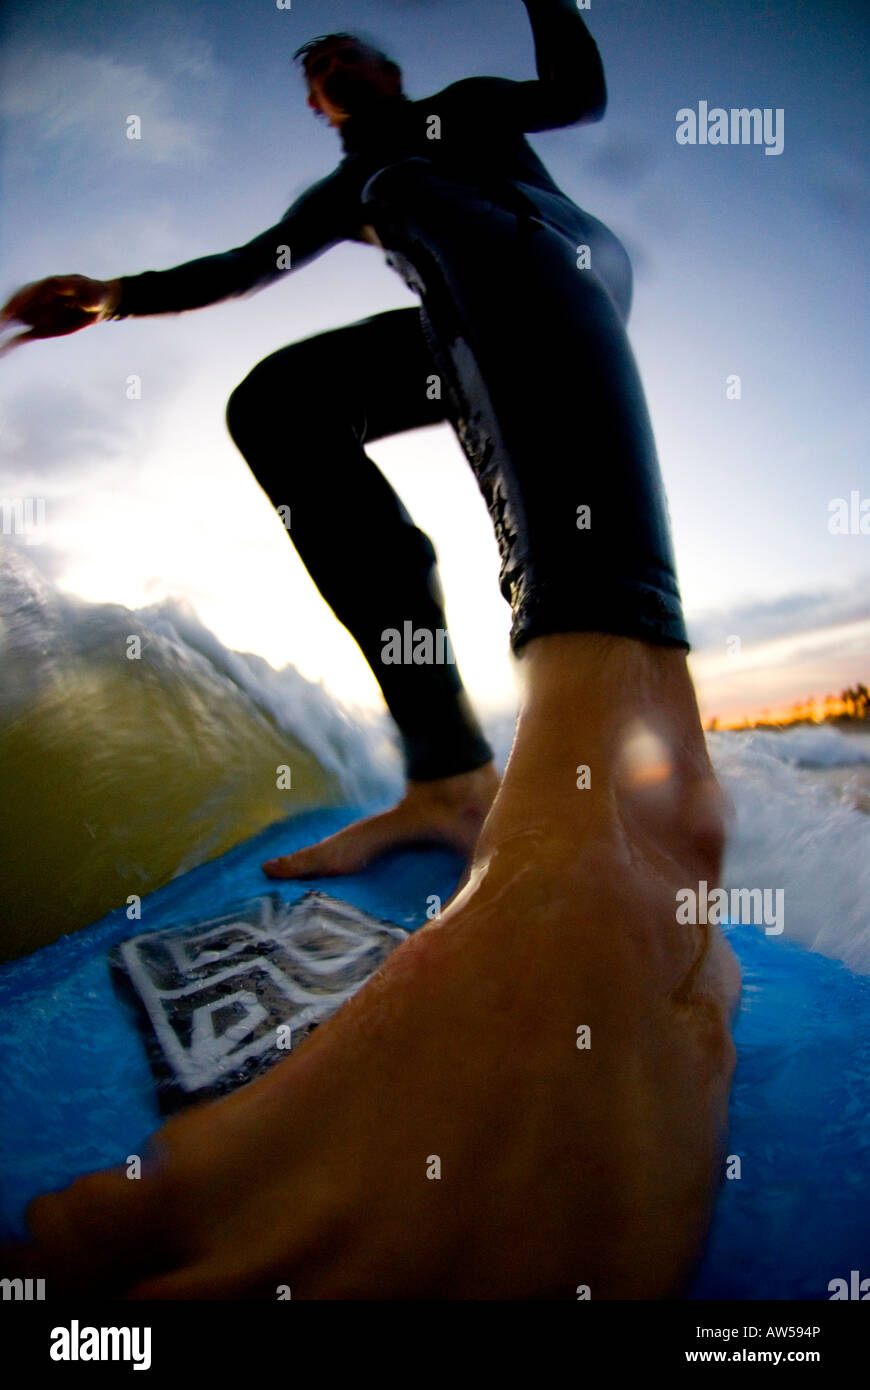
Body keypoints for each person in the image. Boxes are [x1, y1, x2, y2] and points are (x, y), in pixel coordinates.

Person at [1, 1, 740, 1299]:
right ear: (316, 104)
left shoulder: (453, 115)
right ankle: (450, 772)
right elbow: (241, 265)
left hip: (556, 263)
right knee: (277, 404)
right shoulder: (346, 184)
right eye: (317, 73)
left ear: (381, 70)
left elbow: (574, 88)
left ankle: (626, 802)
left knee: (422, 194)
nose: (331, 74)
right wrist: (115, 297)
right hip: (476, 322)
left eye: (344, 56)